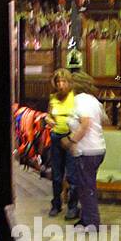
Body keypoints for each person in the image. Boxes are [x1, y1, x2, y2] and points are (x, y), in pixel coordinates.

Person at [61, 86, 106, 228]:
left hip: (87, 152)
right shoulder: (93, 101)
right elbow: (104, 120)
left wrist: (71, 141)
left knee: (87, 188)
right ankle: (86, 218)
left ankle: (92, 222)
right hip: (96, 149)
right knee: (84, 186)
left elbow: (86, 123)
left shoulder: (81, 100)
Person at [43, 68, 79, 217]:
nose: (60, 85)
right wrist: (48, 120)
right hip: (56, 137)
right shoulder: (53, 98)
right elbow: (48, 115)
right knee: (57, 175)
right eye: (58, 82)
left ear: (69, 82)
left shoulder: (75, 98)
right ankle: (56, 204)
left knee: (71, 174)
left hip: (70, 138)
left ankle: (72, 206)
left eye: (63, 81)